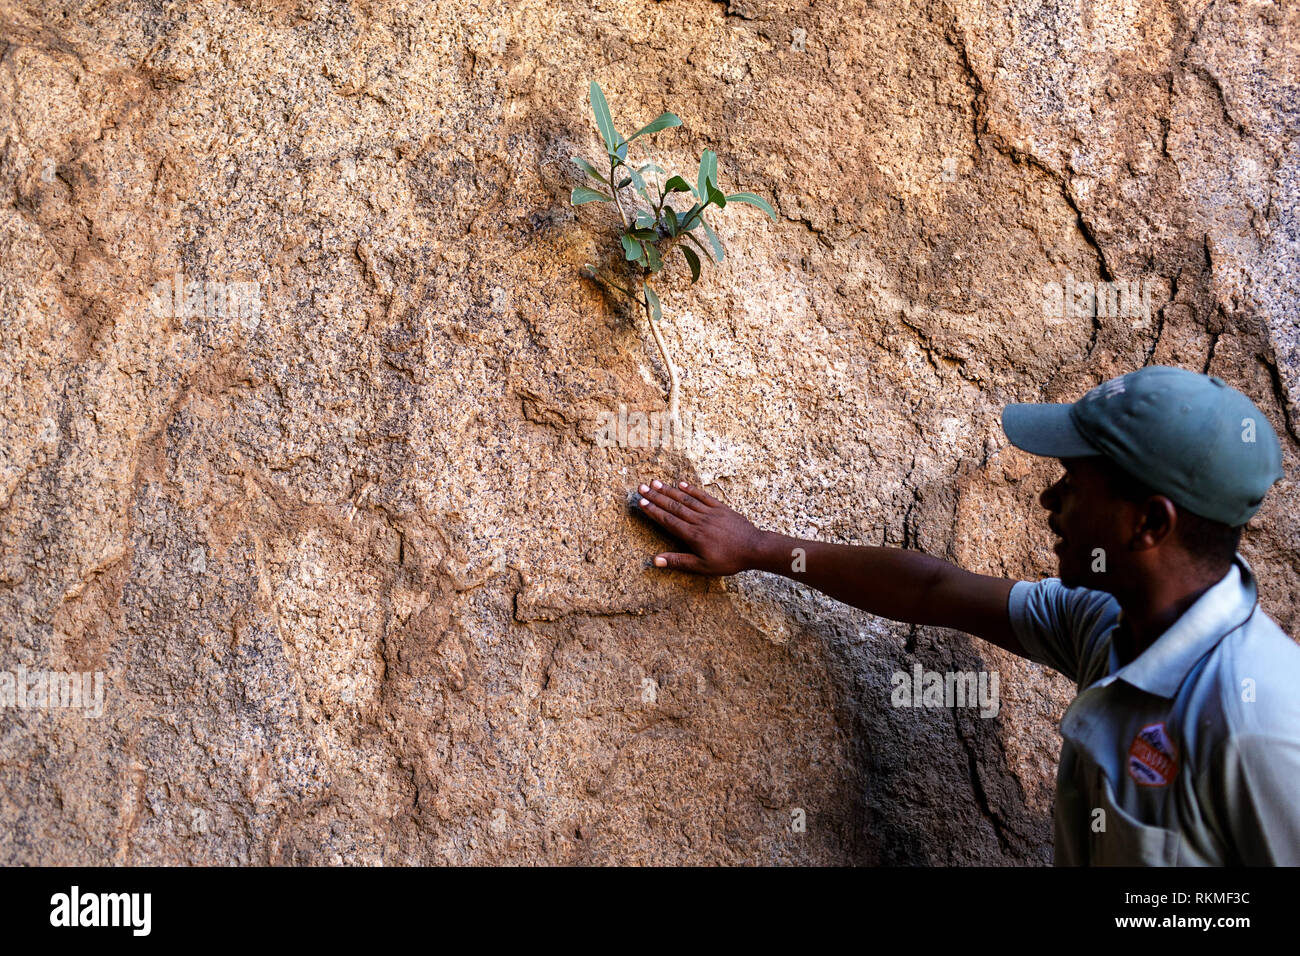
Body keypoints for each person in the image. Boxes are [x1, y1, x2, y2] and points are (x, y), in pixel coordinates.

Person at [633, 365, 1300, 865]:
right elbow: (932, 589)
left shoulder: (1260, 720)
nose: (1050, 499)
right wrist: (758, 548)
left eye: (1074, 483)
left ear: (1150, 522)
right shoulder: (1109, 624)